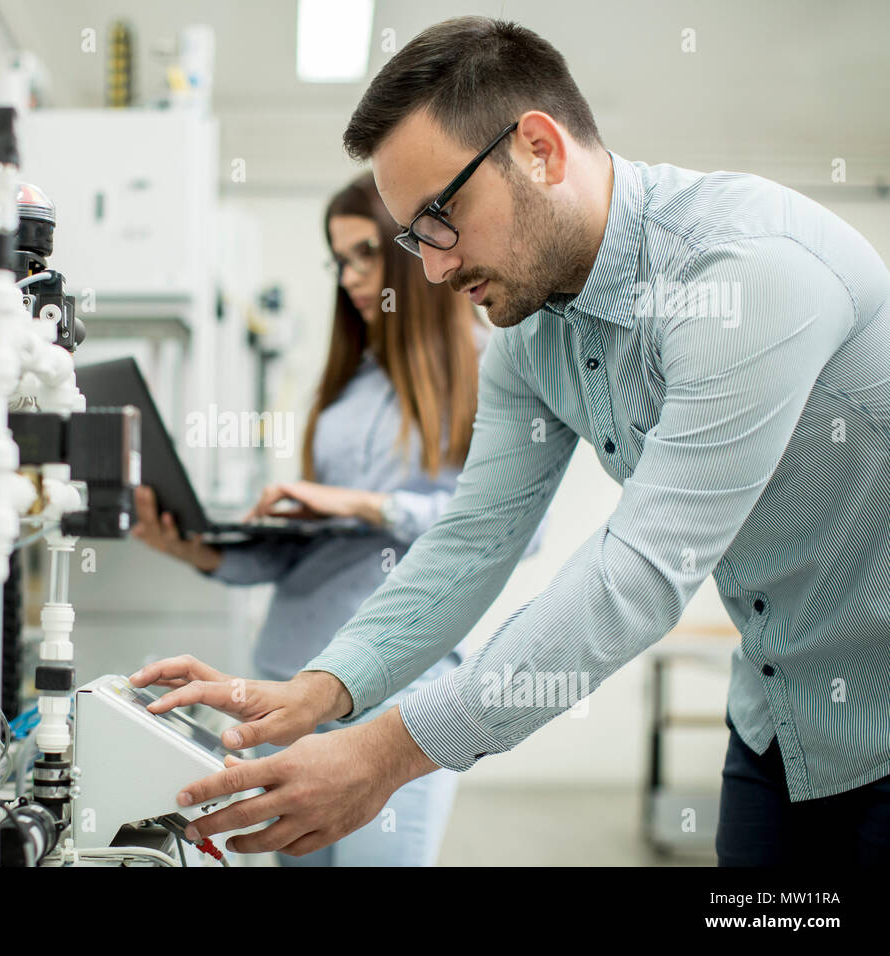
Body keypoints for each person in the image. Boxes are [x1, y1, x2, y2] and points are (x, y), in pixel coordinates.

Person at [131, 16, 890, 866]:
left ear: (539, 148)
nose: (433, 270)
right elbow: (471, 538)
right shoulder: (531, 335)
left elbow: (638, 572)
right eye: (414, 238)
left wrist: (385, 754)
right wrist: (319, 691)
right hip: (780, 722)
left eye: (439, 217)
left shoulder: (744, 271)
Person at [131, 171, 512, 865]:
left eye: (365, 253)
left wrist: (367, 504)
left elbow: (507, 529)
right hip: (291, 682)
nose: (351, 277)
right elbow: (316, 550)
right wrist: (191, 546)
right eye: (339, 261)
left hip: (399, 690)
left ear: (411, 244)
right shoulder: (352, 384)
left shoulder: (495, 367)